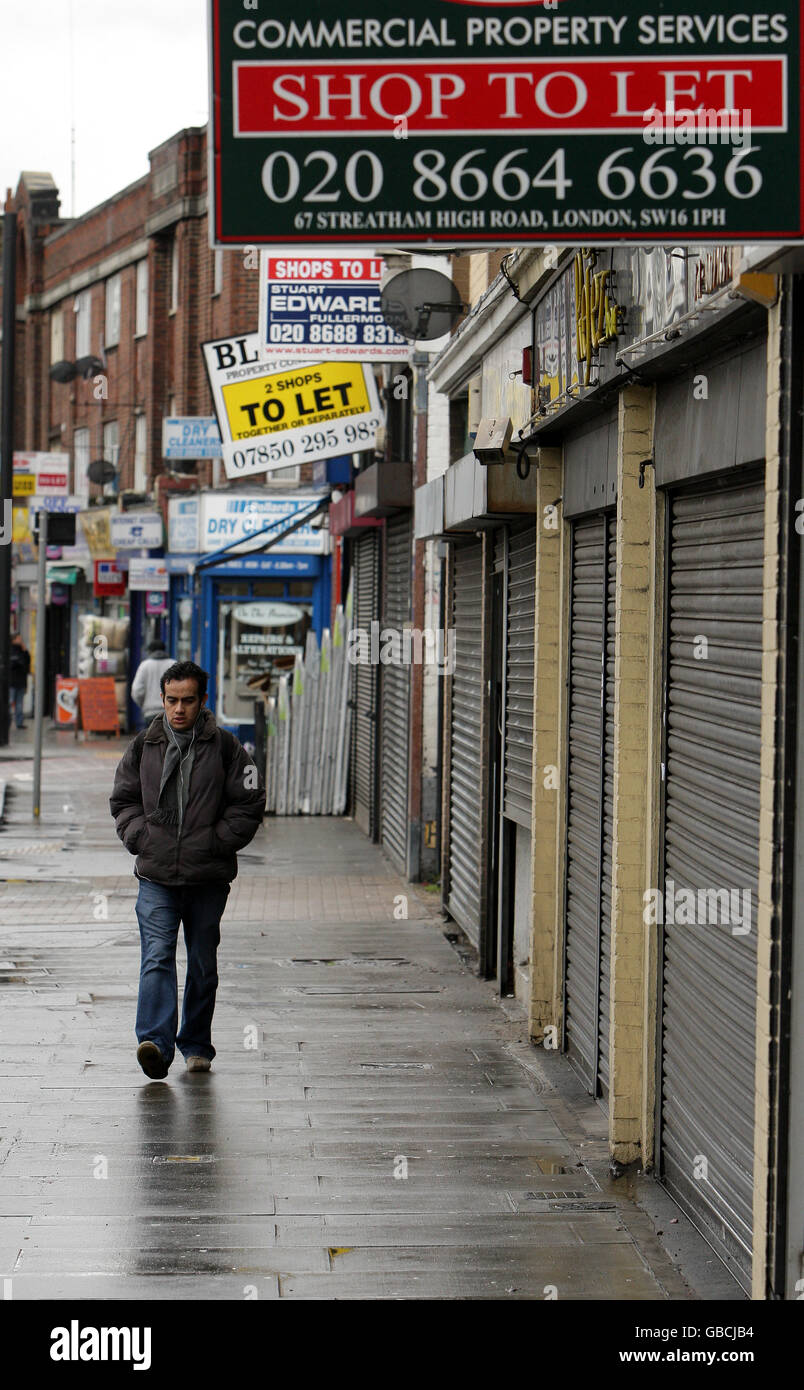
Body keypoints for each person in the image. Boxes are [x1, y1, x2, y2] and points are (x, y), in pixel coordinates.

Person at [109, 661, 265, 1080]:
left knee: (201, 963)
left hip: (207, 879)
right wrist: (141, 837)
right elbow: (122, 799)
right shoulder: (144, 746)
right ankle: (155, 1047)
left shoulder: (229, 749)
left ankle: (196, 1044)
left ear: (203, 701)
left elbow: (251, 800)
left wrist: (217, 841)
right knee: (157, 957)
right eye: (172, 700)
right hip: (156, 876)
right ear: (162, 699)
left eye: (188, 700)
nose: (179, 709)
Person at [131, 639, 174, 723]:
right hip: (170, 712)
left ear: (150, 651)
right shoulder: (173, 664)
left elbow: (136, 690)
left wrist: (143, 704)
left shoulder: (144, 666)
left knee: (153, 735)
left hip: (150, 712)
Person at [9, 633, 31, 729]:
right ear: (13, 640)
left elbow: (27, 661)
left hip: (21, 681)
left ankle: (19, 722)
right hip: (12, 682)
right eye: (18, 639)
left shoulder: (22, 651)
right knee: (10, 702)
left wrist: (25, 650)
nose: (21, 640)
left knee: (19, 704)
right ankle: (7, 722)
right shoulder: (10, 650)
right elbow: (12, 664)